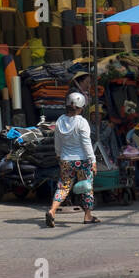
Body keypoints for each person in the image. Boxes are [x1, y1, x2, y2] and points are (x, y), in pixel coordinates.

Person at [45, 91, 97, 227]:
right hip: (83, 160)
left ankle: (52, 210)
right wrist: (93, 160)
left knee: (63, 187)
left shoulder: (60, 120)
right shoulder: (82, 122)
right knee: (87, 187)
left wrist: (58, 154)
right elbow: (86, 143)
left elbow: (57, 141)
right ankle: (88, 216)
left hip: (65, 160)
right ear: (81, 107)